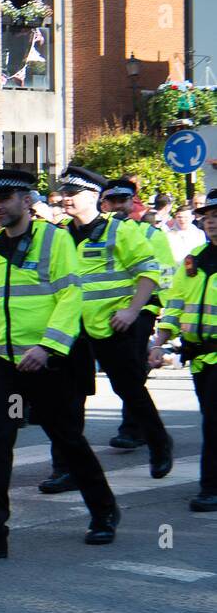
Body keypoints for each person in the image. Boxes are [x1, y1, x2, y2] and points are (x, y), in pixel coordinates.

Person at [0, 170, 120, 561]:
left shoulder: (54, 239)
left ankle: (103, 511)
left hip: (45, 363)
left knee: (66, 439)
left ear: (27, 201)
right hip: (4, 364)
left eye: (6, 197)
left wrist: (47, 347)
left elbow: (70, 297)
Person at [53, 166, 171, 481]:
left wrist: (133, 311)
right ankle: (65, 468)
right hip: (72, 330)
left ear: (95, 197)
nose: (66, 199)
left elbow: (149, 272)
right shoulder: (59, 232)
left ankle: (159, 443)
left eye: (73, 193)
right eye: (64, 193)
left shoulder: (120, 230)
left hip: (113, 326)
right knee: (69, 399)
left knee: (129, 389)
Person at [150, 188, 217, 512]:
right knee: (211, 417)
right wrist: (159, 340)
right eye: (210, 217)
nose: (214, 222)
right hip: (201, 358)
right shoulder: (195, 260)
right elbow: (175, 304)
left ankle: (210, 488)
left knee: (214, 422)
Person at [101, 177, 175, 452]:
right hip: (103, 313)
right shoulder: (94, 233)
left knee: (130, 373)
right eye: (113, 201)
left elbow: (165, 274)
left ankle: (133, 429)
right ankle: (145, 427)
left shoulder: (151, 235)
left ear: (133, 202)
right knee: (126, 374)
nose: (119, 206)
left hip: (141, 310)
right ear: (104, 203)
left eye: (124, 200)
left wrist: (161, 314)